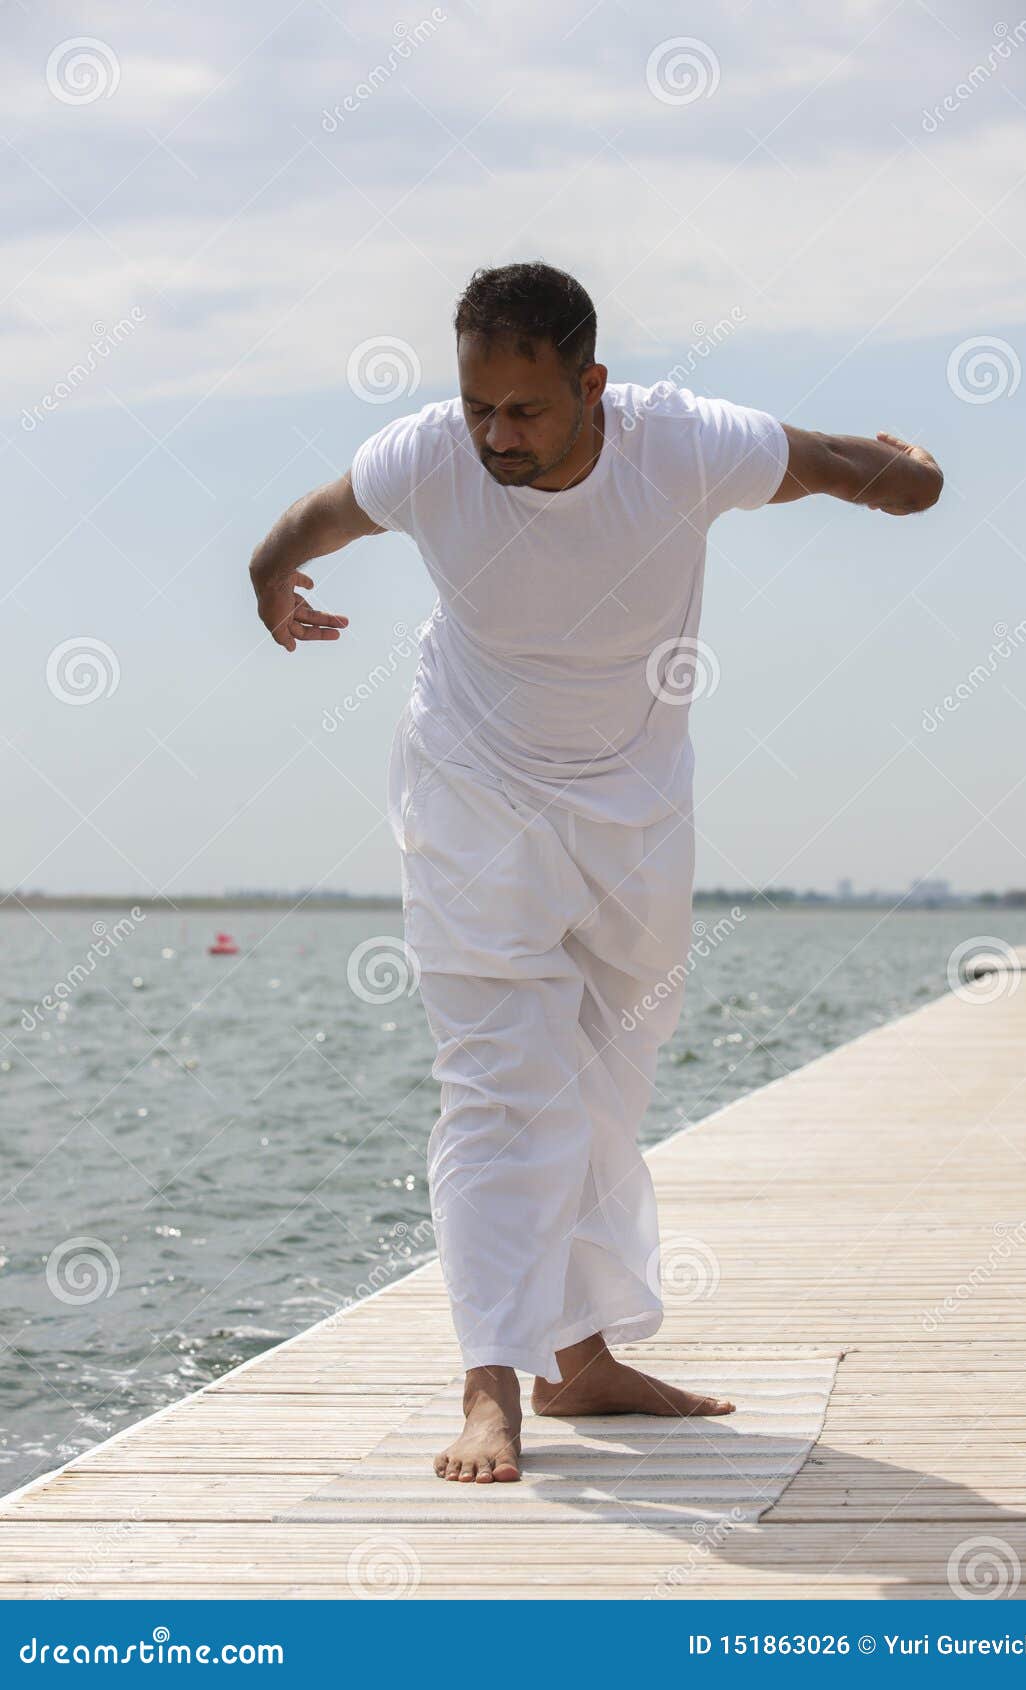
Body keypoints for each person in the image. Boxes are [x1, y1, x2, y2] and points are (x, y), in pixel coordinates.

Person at [249, 261, 942, 1485]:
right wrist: (268, 577)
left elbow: (844, 467)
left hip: (633, 806)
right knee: (499, 1085)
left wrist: (910, 476)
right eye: (478, 407)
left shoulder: (684, 444)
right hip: (469, 790)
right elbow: (314, 517)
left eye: (523, 410)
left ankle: (578, 1358)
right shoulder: (425, 456)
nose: (495, 437)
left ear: (592, 387)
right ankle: (488, 1382)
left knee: (605, 1081)